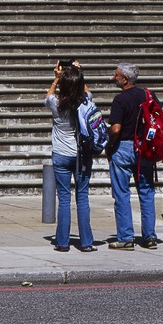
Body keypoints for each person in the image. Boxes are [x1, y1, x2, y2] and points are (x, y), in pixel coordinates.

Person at [103, 63, 160, 250]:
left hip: (124, 148)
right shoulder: (148, 95)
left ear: (125, 79)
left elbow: (116, 128)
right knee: (146, 192)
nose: (114, 77)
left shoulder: (120, 100)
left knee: (121, 194)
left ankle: (126, 237)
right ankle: (150, 237)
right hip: (145, 148)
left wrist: (109, 143)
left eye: (116, 75)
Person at [43, 60, 97, 252]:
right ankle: (87, 242)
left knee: (64, 198)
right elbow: (87, 91)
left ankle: (63, 242)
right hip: (81, 154)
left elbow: (47, 96)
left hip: (61, 154)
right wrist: (79, 72)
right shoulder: (85, 102)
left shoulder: (55, 103)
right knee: (83, 198)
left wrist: (56, 79)